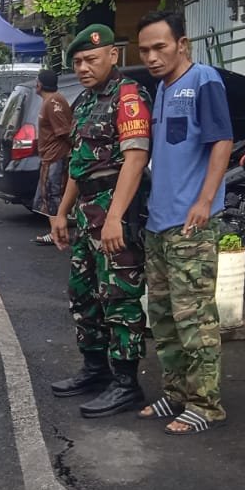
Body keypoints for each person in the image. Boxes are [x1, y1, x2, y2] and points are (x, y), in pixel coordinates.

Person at [134, 10, 232, 435]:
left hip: (190, 225)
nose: (153, 57)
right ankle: (175, 392)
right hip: (159, 225)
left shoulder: (203, 80)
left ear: (181, 44)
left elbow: (221, 141)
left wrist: (205, 201)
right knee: (164, 318)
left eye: (160, 47)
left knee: (195, 320)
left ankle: (205, 404)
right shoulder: (161, 89)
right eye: (145, 50)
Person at [48, 23, 151, 418]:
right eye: (77, 62)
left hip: (114, 209)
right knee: (84, 294)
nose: (84, 67)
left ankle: (126, 383)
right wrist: (61, 212)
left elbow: (136, 158)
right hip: (86, 211)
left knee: (119, 298)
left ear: (113, 54)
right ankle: (95, 370)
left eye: (91, 58)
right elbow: (79, 165)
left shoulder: (128, 97)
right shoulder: (86, 103)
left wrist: (115, 218)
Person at [32, 69, 73, 245]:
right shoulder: (50, 101)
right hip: (49, 156)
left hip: (54, 157)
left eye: (37, 81)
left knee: (52, 195)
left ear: (40, 84)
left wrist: (66, 152)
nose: (35, 83)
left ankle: (58, 234)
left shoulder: (54, 102)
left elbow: (64, 132)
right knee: (47, 196)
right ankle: (55, 231)